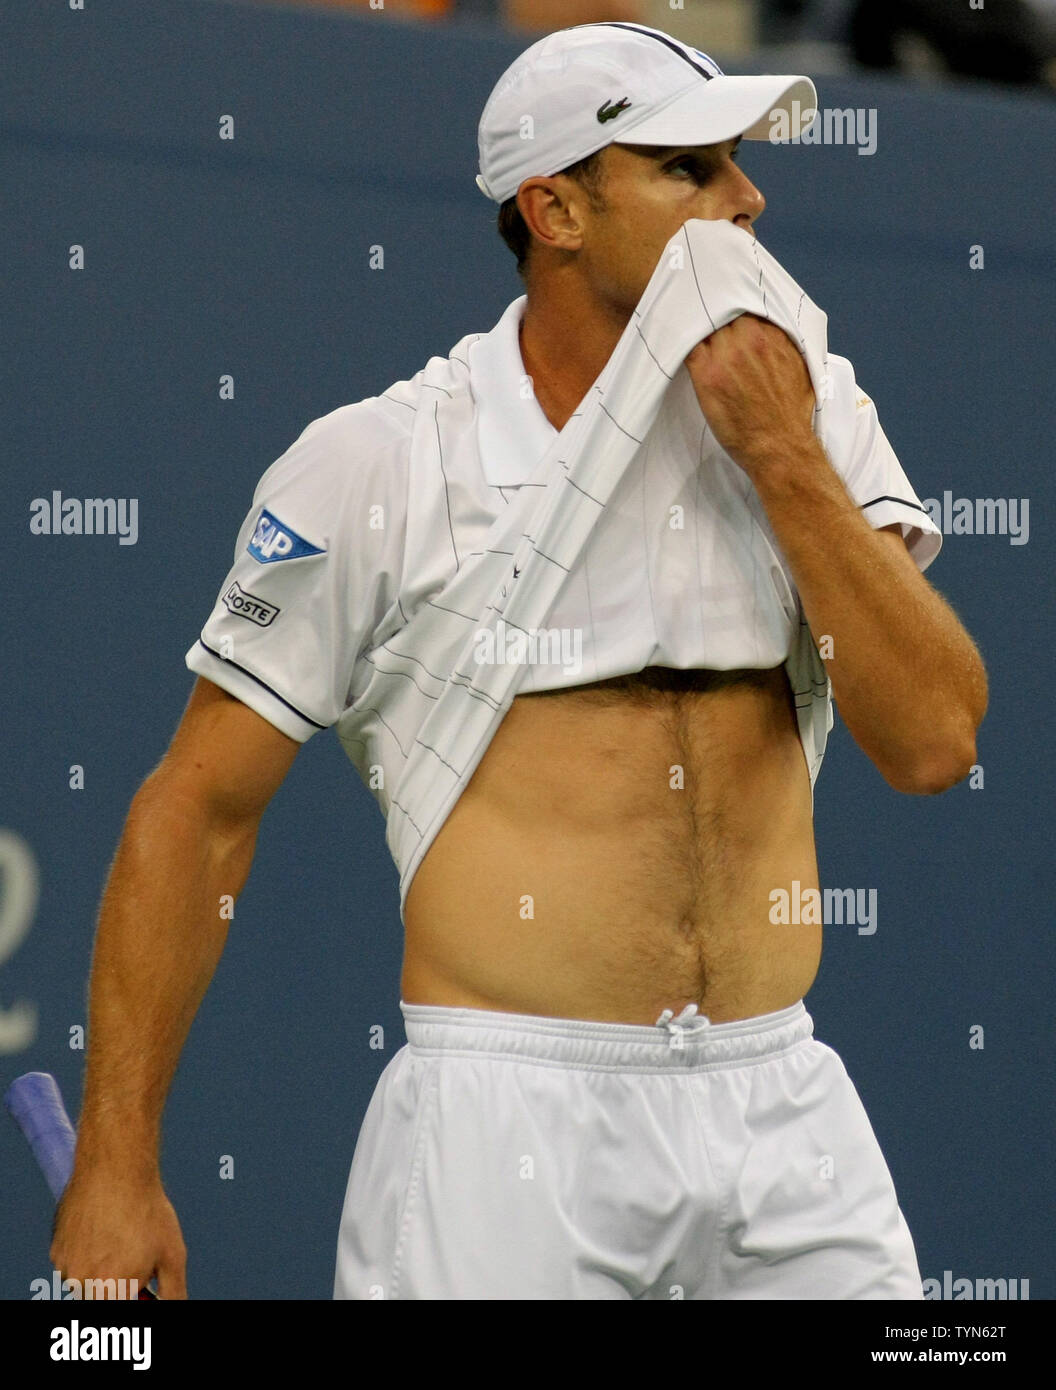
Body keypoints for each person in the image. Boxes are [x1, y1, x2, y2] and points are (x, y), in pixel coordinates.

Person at [51, 22, 987, 1300]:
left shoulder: (808, 410)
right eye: (689, 169)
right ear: (555, 208)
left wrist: (783, 458)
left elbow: (937, 743)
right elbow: (195, 812)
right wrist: (117, 1167)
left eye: (737, 166)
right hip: (504, 1129)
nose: (748, 198)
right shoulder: (379, 463)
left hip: (785, 1109)